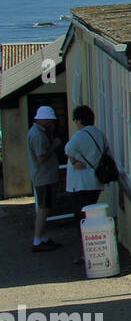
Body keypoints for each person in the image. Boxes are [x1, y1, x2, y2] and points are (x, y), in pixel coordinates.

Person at [65, 105, 108, 262]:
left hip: (80, 184)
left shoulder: (80, 135)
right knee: (93, 218)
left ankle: (87, 253)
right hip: (95, 181)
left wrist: (73, 161)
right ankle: (94, 250)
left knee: (82, 221)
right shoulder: (99, 133)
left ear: (79, 120)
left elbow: (68, 149)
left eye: (75, 120)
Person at [28, 105, 64, 252]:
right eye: (49, 120)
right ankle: (37, 239)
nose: (51, 123)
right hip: (43, 177)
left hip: (45, 176)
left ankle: (41, 237)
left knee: (45, 207)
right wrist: (54, 145)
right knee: (43, 208)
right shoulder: (37, 134)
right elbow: (41, 157)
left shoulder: (39, 132)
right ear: (43, 119)